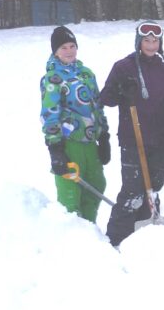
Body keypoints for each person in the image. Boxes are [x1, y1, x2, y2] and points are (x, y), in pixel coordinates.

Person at [99, 20, 164, 247]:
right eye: (146, 40)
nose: (151, 44)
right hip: (132, 138)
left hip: (160, 139)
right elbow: (105, 98)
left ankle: (143, 235)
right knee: (133, 192)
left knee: (153, 188)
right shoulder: (123, 67)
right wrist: (121, 91)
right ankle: (116, 238)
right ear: (139, 42)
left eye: (155, 40)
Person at [40, 25, 111, 223]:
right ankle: (72, 233)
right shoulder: (52, 78)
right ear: (55, 51)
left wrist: (104, 136)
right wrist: (55, 148)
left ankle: (89, 227)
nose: (69, 51)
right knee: (71, 190)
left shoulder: (87, 74)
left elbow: (97, 105)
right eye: (64, 47)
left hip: (90, 142)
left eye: (72, 46)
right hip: (68, 142)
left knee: (96, 184)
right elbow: (49, 113)